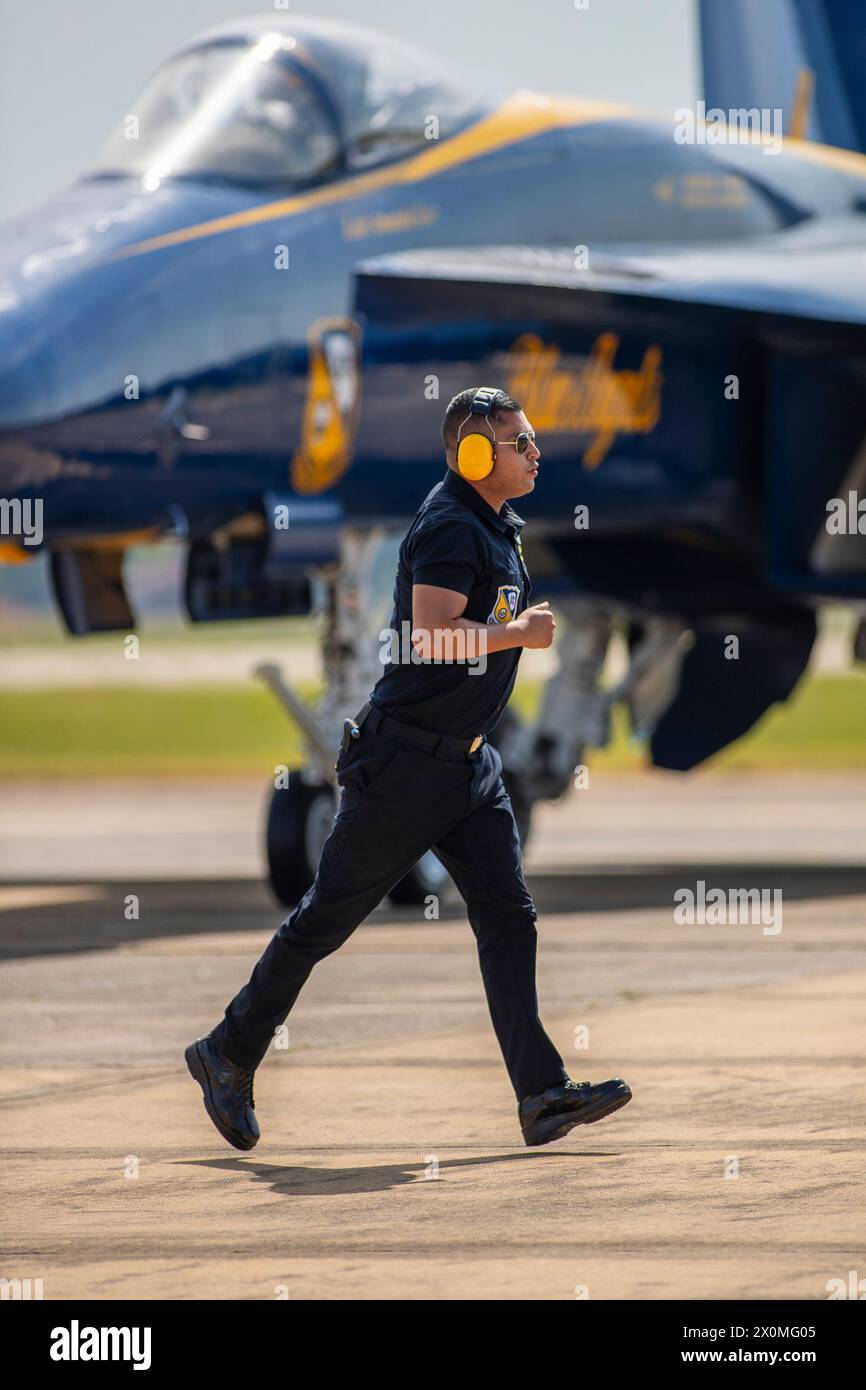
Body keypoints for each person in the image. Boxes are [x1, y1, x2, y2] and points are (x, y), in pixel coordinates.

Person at [186, 387, 632, 1148]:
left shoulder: (498, 522)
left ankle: (541, 1096)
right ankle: (227, 1051)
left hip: (468, 767)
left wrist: (508, 636)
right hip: (404, 766)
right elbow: (431, 638)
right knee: (325, 919)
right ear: (475, 455)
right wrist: (516, 633)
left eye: (530, 441)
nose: (534, 453)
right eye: (519, 443)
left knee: (508, 919)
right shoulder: (451, 527)